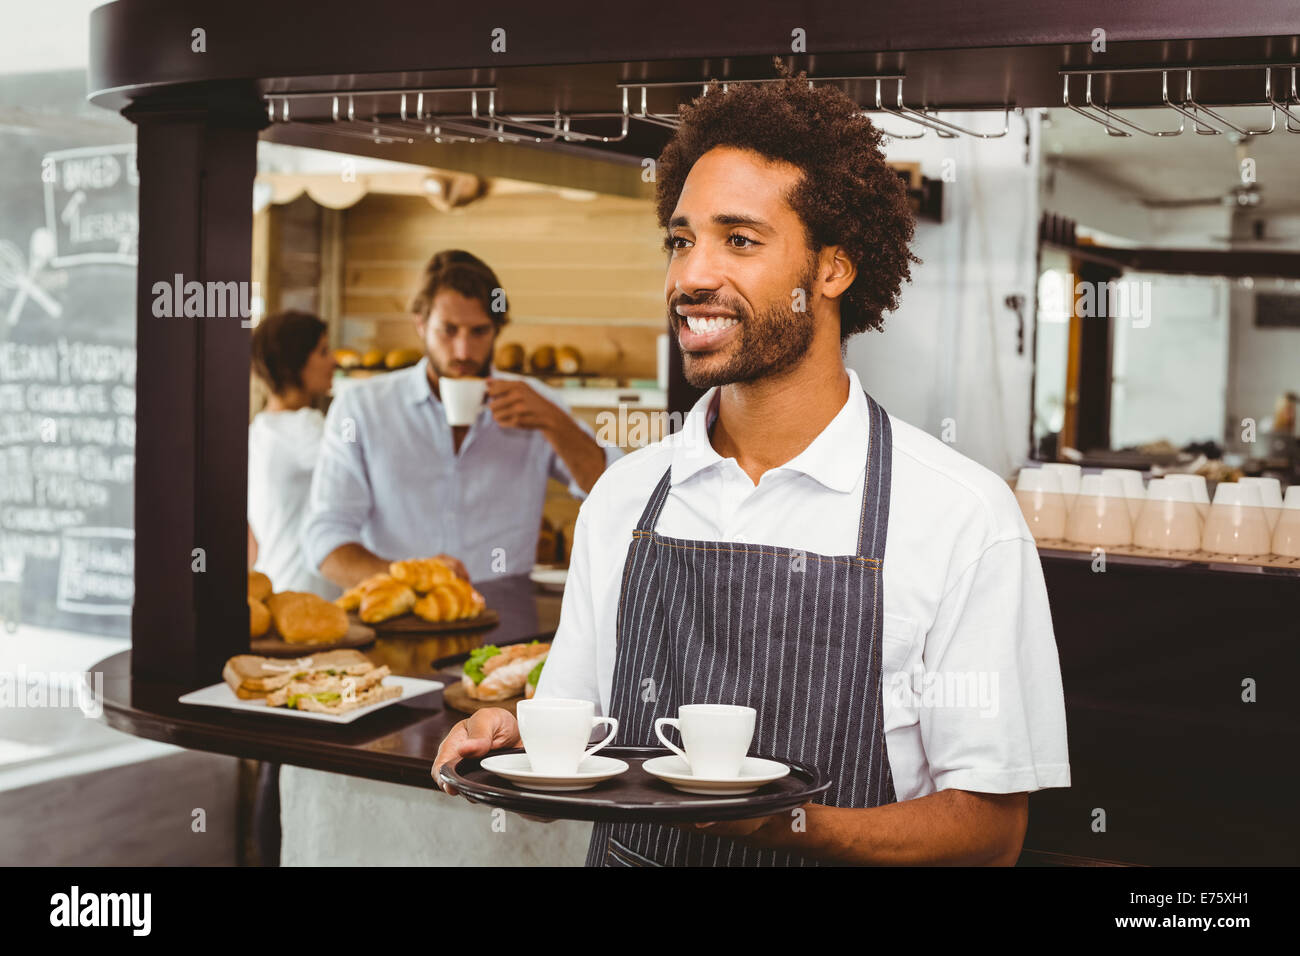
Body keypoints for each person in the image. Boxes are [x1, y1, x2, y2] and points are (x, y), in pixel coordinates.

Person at [434, 68, 1071, 866]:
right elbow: (572, 746)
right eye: (680, 239)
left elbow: (988, 834)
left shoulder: (961, 517)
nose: (690, 277)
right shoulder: (626, 499)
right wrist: (512, 741)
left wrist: (790, 826)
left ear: (832, 270)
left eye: (739, 239)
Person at [302, 250, 618, 587]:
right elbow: (325, 537)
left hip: (507, 622)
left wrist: (555, 422)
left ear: (498, 329)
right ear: (421, 325)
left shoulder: (537, 403)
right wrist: (413, 580)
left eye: (479, 331)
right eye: (448, 330)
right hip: (397, 618)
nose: (463, 351)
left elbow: (613, 494)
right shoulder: (362, 408)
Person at [247, 310, 337, 596]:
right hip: (319, 593)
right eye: (323, 352)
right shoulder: (305, 426)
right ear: (296, 362)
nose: (333, 360)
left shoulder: (259, 428)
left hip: (278, 584)